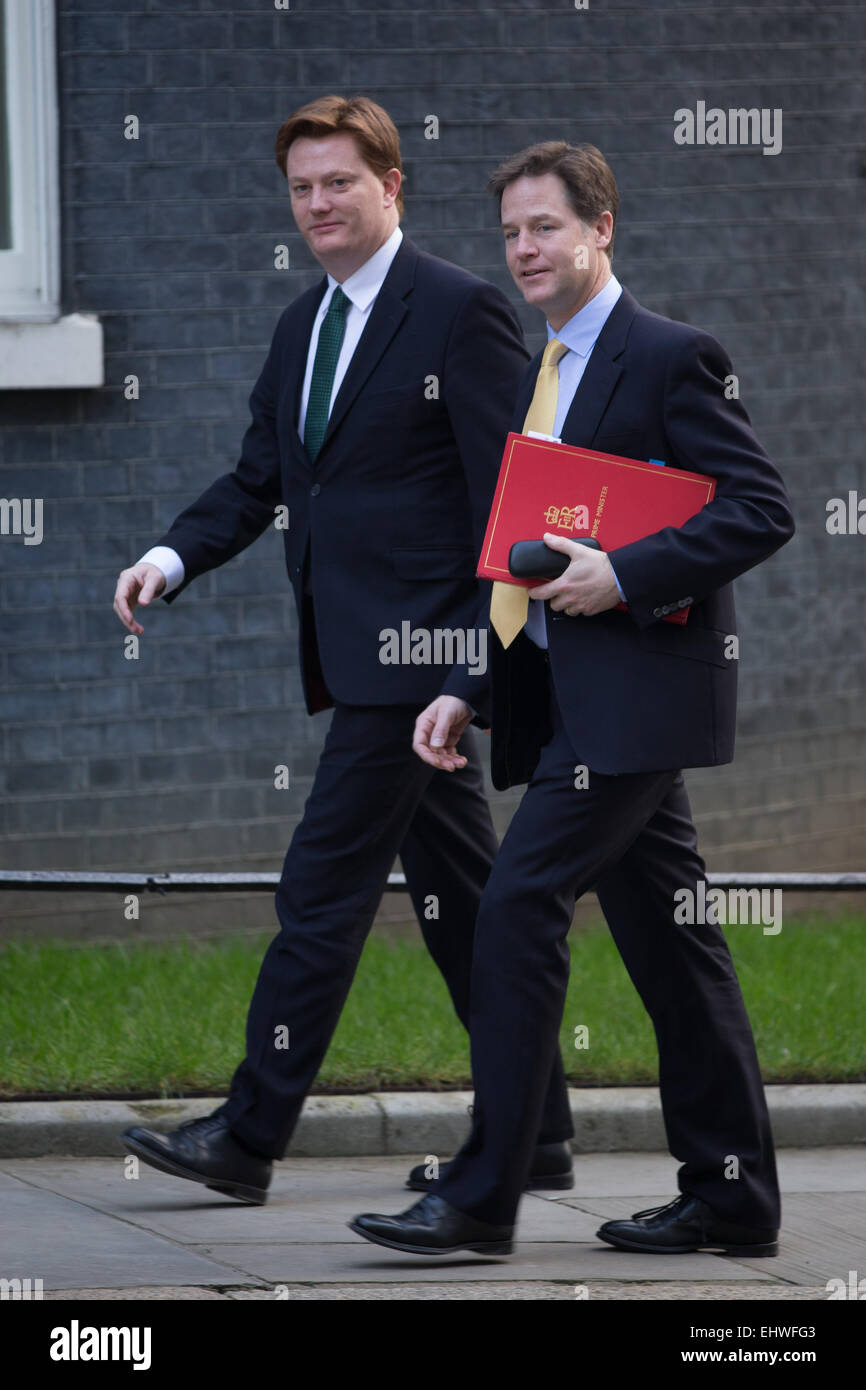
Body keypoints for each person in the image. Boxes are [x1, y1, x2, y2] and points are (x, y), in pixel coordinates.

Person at [112, 99, 575, 1205]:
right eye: (302, 189)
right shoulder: (301, 326)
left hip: (416, 665)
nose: (318, 205)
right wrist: (169, 558)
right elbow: (259, 478)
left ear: (391, 187)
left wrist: (472, 668)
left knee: (319, 888)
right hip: (361, 663)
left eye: (339, 184)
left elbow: (506, 500)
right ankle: (540, 1128)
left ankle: (249, 1130)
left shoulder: (457, 312)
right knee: (462, 902)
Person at [350, 141, 796, 1258]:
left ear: (600, 228)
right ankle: (731, 1193)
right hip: (569, 703)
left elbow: (757, 507)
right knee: (674, 946)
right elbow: (520, 558)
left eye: (544, 227)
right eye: (508, 232)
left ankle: (481, 1194)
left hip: (635, 708)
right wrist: (465, 686)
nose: (523, 250)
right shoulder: (541, 373)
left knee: (513, 907)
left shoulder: (666, 356)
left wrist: (628, 575)